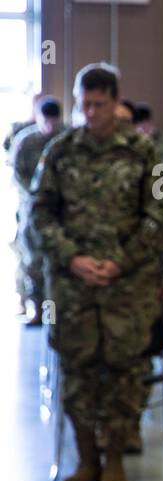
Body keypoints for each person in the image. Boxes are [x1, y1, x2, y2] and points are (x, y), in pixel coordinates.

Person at [30, 64, 163, 481]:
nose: (90, 112)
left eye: (98, 104)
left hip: (127, 286)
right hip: (74, 285)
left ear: (115, 102)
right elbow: (39, 214)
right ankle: (85, 457)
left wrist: (122, 261)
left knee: (123, 371)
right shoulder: (61, 151)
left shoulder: (147, 153)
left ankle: (114, 459)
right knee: (77, 371)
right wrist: (73, 258)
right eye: (83, 104)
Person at [11, 98, 64, 322]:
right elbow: (18, 174)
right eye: (46, 121)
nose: (50, 126)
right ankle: (37, 309)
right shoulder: (26, 141)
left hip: (60, 211)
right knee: (31, 260)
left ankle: (58, 310)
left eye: (54, 121)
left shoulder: (65, 140)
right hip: (31, 211)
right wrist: (36, 195)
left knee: (57, 260)